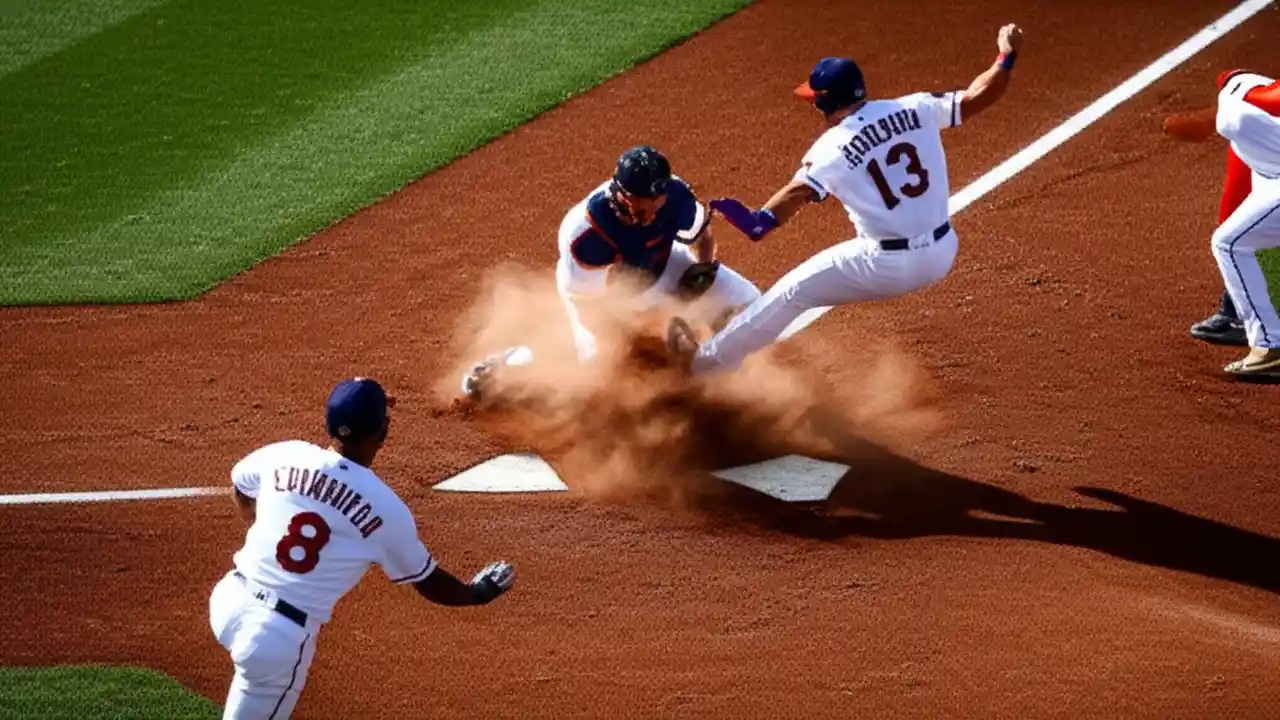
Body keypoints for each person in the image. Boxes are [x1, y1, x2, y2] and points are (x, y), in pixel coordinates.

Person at [664, 25, 1024, 376]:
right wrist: (1004, 58)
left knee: (792, 293)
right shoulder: (915, 108)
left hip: (885, 264)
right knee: (799, 289)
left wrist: (756, 220)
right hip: (943, 252)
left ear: (824, 102)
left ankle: (700, 365)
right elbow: (980, 95)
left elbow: (793, 196)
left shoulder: (831, 148)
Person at [209, 377, 515, 719]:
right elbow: (427, 580)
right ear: (381, 433)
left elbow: (241, 487)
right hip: (275, 639)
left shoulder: (285, 453)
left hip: (229, 600)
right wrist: (477, 593)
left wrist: (264, 524)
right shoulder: (385, 508)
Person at [461, 145, 760, 399]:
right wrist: (653, 331)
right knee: (599, 385)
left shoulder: (676, 195)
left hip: (666, 265)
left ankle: (718, 363)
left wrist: (701, 271)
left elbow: (703, 238)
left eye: (661, 199)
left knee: (752, 305)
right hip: (606, 298)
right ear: (624, 196)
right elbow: (594, 311)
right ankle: (512, 366)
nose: (657, 209)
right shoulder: (587, 234)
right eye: (648, 203)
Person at [1165, 70, 1280, 375]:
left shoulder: (1238, 115)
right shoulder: (1254, 122)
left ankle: (1269, 345)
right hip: (1272, 177)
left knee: (1228, 243)